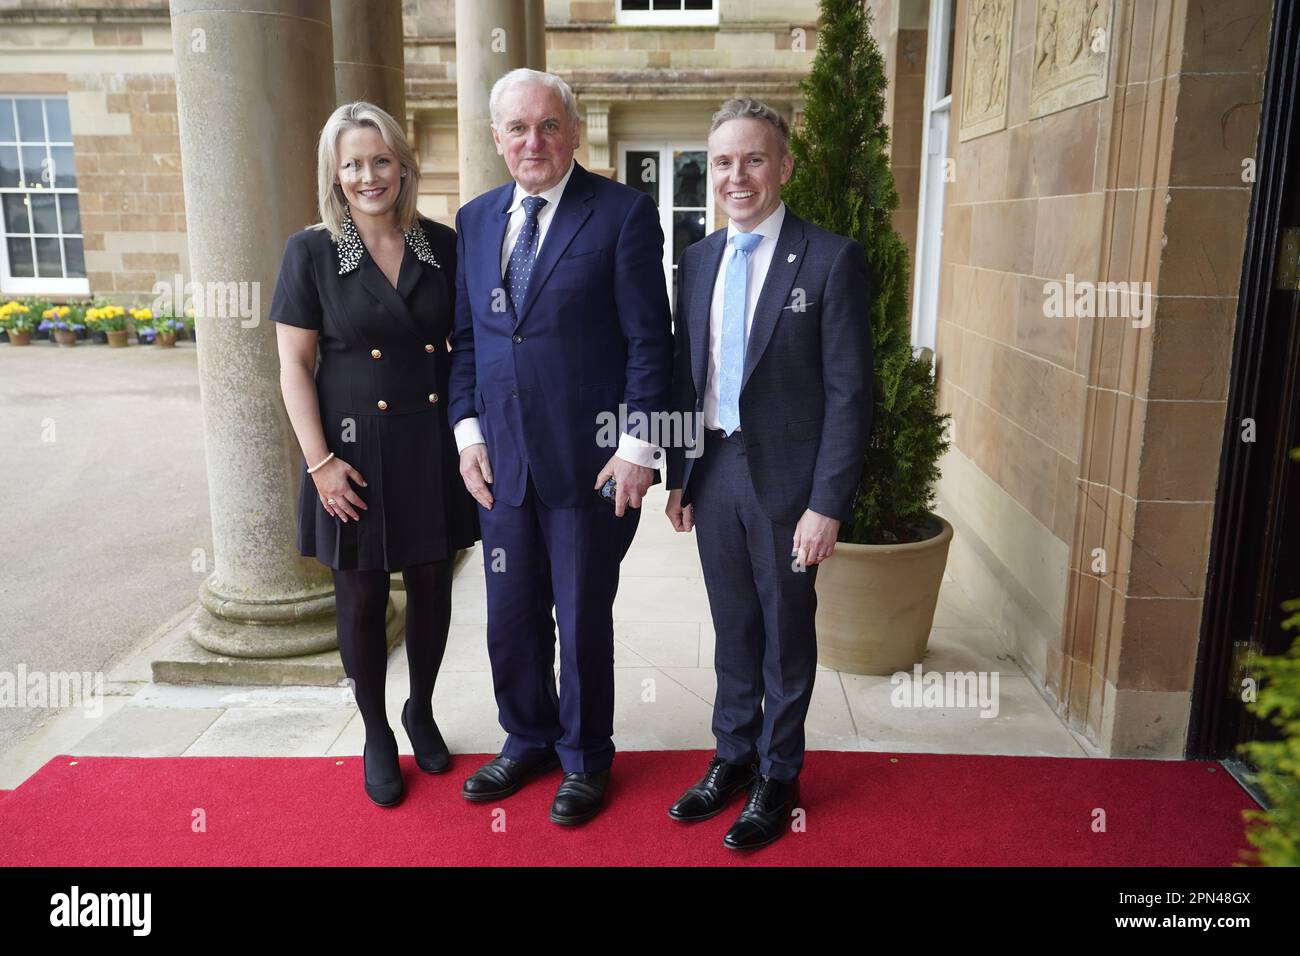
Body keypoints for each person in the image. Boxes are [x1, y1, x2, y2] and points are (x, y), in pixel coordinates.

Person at [448, 68, 673, 825]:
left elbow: (652, 341)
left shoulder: (622, 214)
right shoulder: (476, 221)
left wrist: (641, 446)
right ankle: (528, 739)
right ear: (497, 138)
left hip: (592, 465)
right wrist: (467, 434)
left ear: (574, 132)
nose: (532, 141)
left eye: (548, 125)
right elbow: (469, 343)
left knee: (580, 619)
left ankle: (583, 757)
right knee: (509, 617)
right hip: (502, 463)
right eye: (517, 128)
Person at [664, 98, 873, 850]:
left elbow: (852, 392)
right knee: (733, 627)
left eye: (754, 159)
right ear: (710, 170)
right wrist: (679, 475)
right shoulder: (696, 261)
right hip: (714, 468)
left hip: (789, 483)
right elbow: (687, 376)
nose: (737, 175)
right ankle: (732, 757)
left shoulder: (828, 258)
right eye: (723, 162)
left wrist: (828, 504)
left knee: (786, 631)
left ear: (783, 167)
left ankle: (779, 777)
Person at [269, 101, 480, 808]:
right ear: (336, 173)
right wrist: (320, 461)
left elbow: (466, 347)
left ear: (403, 164)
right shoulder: (312, 251)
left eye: (381, 160)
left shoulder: (441, 245)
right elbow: (294, 366)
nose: (369, 176)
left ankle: (420, 708)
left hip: (428, 443)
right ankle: (376, 732)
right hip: (349, 452)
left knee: (430, 582)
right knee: (359, 591)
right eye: (353, 164)